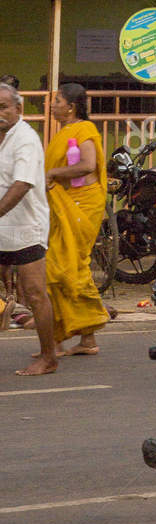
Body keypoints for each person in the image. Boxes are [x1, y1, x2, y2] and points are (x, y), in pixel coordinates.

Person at [44, 82, 108, 358]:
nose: (52, 105)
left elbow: (87, 166)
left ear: (70, 107)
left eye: (57, 100)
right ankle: (58, 339)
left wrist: (53, 172)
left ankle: (87, 336)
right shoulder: (65, 132)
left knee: (69, 266)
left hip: (84, 204)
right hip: (67, 203)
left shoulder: (84, 130)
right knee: (57, 266)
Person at [0, 83, 58, 376]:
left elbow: (21, 184)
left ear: (18, 109)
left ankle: (49, 357)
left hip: (25, 228)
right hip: (2, 228)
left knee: (35, 294)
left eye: (3, 108)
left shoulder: (25, 139)